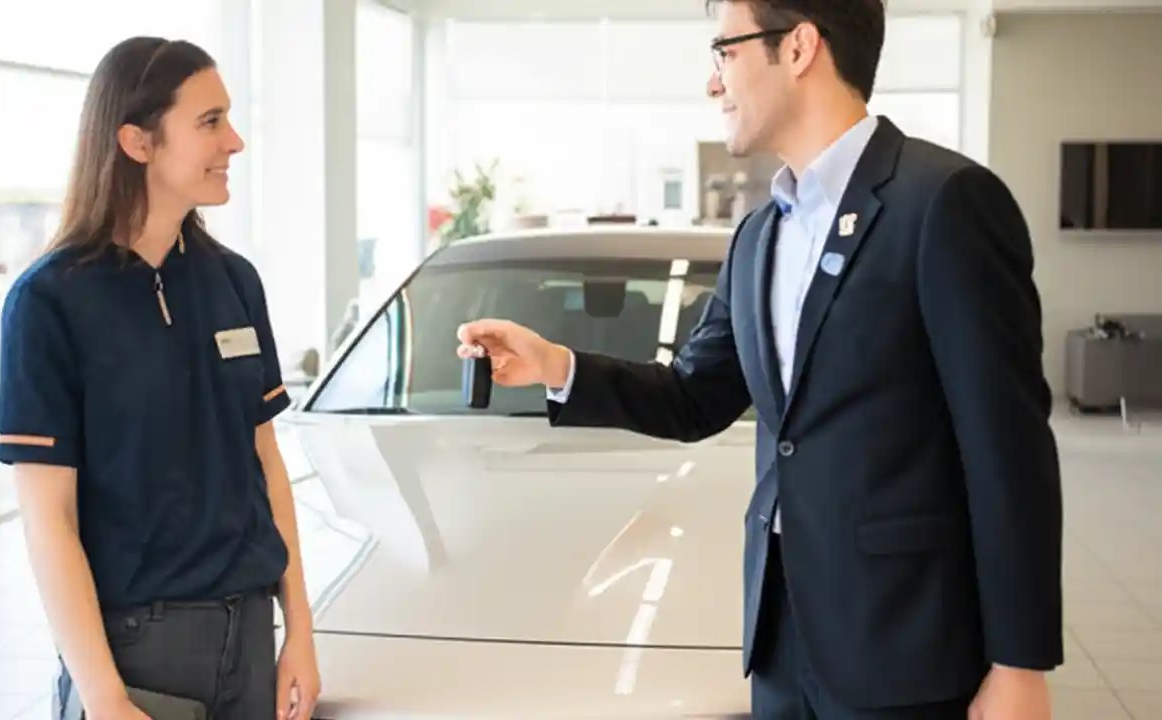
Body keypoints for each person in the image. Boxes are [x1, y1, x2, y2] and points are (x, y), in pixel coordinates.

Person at [456, 1, 1063, 719]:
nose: (713, 83)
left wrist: (1020, 663)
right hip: (783, 647)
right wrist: (558, 365)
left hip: (906, 652)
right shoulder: (757, 238)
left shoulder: (944, 204)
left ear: (799, 46)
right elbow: (692, 396)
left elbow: (1009, 450)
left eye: (724, 52)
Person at [0, 37, 320, 720]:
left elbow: (266, 466)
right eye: (209, 122)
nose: (234, 141)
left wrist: (300, 633)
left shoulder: (234, 281)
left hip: (250, 641)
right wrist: (103, 697)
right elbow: (48, 518)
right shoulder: (49, 302)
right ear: (137, 142)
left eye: (230, 118)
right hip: (137, 652)